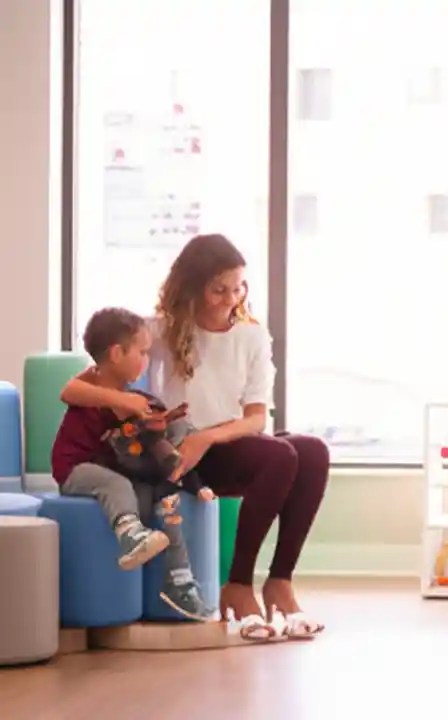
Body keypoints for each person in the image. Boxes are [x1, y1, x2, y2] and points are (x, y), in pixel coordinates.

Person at [61, 233, 330, 640]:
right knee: (280, 456)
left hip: (215, 445)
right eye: (218, 289)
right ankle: (238, 587)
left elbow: (257, 418)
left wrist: (206, 438)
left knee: (311, 451)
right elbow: (74, 389)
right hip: (172, 454)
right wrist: (128, 404)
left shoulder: (252, 336)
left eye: (238, 286)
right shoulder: (157, 332)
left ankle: (279, 582)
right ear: (192, 287)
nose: (231, 298)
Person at [51, 307, 218, 621]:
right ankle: (130, 535)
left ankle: (179, 583)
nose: (146, 359)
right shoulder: (93, 384)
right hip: (76, 468)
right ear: (116, 353)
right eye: (141, 352)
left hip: (118, 471)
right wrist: (122, 401)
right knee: (116, 485)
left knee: (167, 504)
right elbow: (68, 391)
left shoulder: (137, 397)